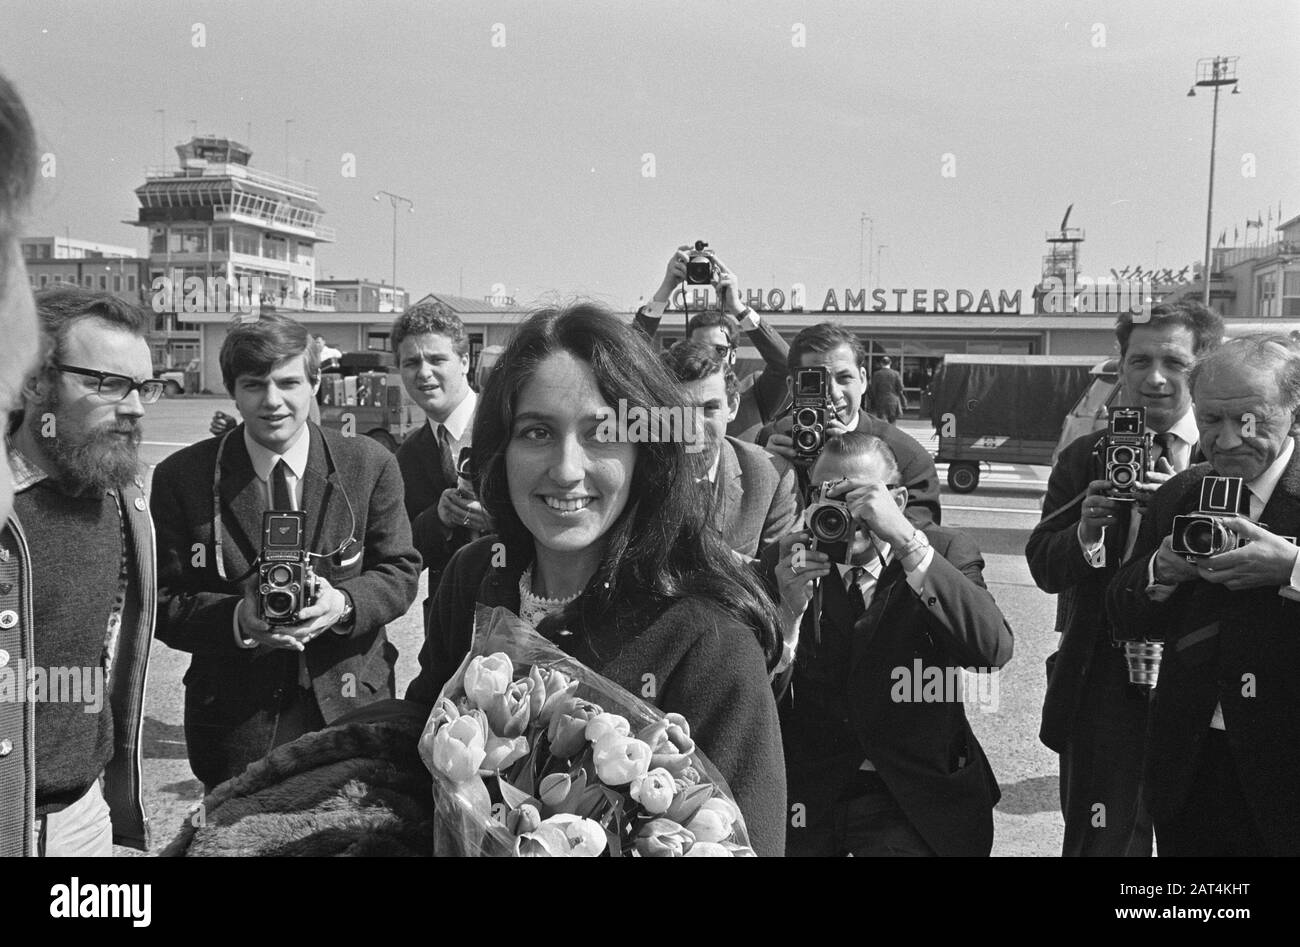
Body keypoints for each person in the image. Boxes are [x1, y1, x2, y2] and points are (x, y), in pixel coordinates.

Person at [405, 302, 788, 856]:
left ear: (646, 453)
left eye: (601, 434)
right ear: (499, 449)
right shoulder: (474, 575)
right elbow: (415, 741)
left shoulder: (710, 638)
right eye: (536, 431)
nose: (565, 468)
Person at [152, 312, 420, 791]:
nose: (272, 401)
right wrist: (239, 620)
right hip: (237, 720)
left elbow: (400, 571)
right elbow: (163, 602)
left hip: (351, 704)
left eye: (289, 382)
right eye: (254, 385)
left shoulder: (369, 465)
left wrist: (342, 604)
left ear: (314, 383)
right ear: (232, 391)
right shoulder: (182, 477)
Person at [1027, 300, 1222, 858]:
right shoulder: (1088, 456)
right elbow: (1042, 561)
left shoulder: (1229, 456)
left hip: (1202, 681)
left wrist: (1186, 494)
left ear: (1203, 367)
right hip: (1103, 685)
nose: (1153, 379)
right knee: (1104, 846)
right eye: (1138, 361)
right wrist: (1087, 532)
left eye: (1173, 362)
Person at [762, 432, 1013, 856]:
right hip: (814, 795)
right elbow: (759, 699)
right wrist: (788, 617)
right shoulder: (787, 560)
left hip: (915, 795)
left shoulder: (944, 551)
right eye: (828, 496)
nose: (844, 513)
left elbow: (991, 651)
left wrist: (908, 546)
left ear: (895, 502)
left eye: (858, 496)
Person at [1107, 334, 1300, 857]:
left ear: (1293, 413)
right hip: (1193, 768)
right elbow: (1122, 612)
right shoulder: (1180, 493)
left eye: (1253, 420)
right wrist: (1158, 571)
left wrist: (1292, 568)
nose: (1231, 439)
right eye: (1212, 420)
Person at [4, 286, 160, 856]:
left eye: (144, 387)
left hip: (83, 818)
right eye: (107, 382)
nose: (135, 407)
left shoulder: (124, 502)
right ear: (34, 382)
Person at [758, 321, 941, 527]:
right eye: (814, 382)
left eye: (844, 378)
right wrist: (762, 476)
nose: (833, 393)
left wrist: (865, 473)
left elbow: (922, 546)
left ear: (862, 380)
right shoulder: (770, 441)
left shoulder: (907, 456)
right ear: (793, 387)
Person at [660, 339, 799, 563]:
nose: (694, 426)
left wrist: (717, 558)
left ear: (732, 406)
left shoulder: (772, 476)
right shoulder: (635, 472)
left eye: (709, 408)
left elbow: (787, 574)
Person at [634, 246, 788, 442]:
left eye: (720, 350)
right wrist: (666, 288)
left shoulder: (754, 391)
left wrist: (737, 307)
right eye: (700, 348)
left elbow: (786, 365)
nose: (710, 356)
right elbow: (625, 358)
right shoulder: (668, 390)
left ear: (733, 354)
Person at [389, 301, 486, 588]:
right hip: (447, 620)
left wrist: (499, 520)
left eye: (436, 359)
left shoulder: (508, 427)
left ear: (465, 362)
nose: (423, 372)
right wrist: (439, 518)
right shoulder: (408, 455)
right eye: (411, 363)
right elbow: (402, 551)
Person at [867, 355, 906, 424]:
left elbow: (873, 389)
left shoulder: (876, 374)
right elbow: (901, 387)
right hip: (893, 400)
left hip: (880, 400)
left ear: (881, 363)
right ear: (890, 363)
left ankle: (882, 434)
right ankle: (891, 434)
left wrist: (874, 398)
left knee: (881, 423)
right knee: (892, 422)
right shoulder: (895, 374)